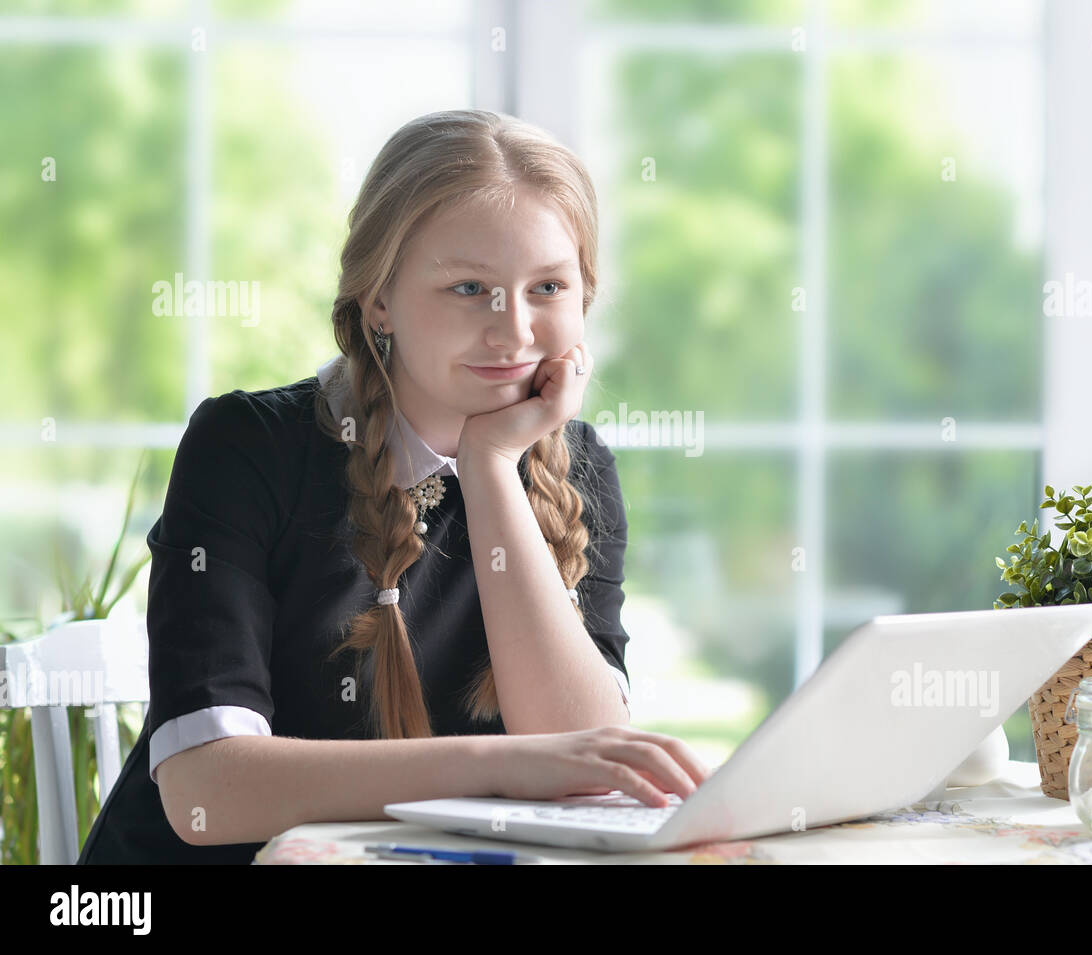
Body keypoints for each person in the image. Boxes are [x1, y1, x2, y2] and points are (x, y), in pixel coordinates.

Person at [78, 109, 710, 864]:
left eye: (547, 286)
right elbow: (204, 792)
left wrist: (489, 469)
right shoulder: (247, 449)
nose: (514, 332)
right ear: (379, 300)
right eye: (471, 287)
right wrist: (500, 768)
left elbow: (584, 763)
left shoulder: (579, 465)